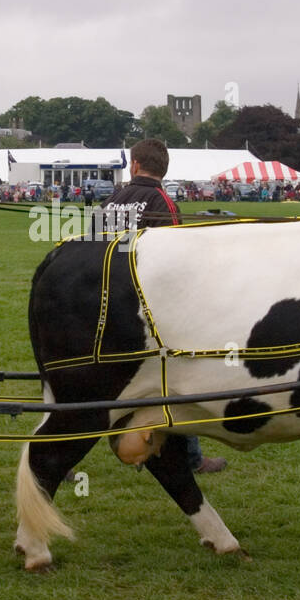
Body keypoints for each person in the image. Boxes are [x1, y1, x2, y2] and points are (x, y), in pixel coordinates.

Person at [100, 139, 226, 474]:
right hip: (148, 308)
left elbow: (92, 248)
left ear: (136, 165)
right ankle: (192, 458)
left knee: (97, 383)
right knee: (176, 382)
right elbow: (175, 262)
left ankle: (60, 449)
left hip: (104, 302)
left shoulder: (111, 200)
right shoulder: (162, 202)